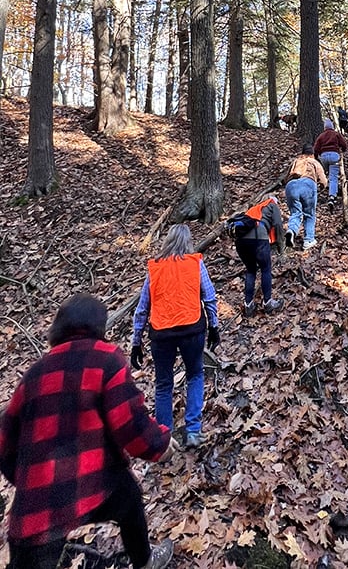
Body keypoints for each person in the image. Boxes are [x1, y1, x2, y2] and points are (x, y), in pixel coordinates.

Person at [0, 293, 174, 569]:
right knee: (129, 500)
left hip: (36, 509)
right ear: (98, 326)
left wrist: (26, 480)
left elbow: (5, 441)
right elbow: (129, 422)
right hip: (95, 484)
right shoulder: (106, 359)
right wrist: (160, 444)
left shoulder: (34, 373)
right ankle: (145, 561)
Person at [131, 224, 220, 449]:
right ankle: (193, 431)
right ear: (188, 242)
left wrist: (136, 341)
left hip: (162, 334)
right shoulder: (195, 263)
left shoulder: (155, 269)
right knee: (195, 375)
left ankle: (164, 440)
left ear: (167, 241)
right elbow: (209, 297)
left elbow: (142, 308)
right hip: (192, 330)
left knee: (163, 385)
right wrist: (214, 327)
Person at [234, 195, 285, 316]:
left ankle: (248, 305)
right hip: (259, 238)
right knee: (265, 269)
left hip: (241, 241)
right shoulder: (272, 204)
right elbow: (278, 224)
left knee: (251, 270)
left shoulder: (253, 210)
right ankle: (268, 303)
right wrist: (280, 246)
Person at [285, 143, 328, 251]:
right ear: (313, 154)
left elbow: (286, 177)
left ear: (302, 153)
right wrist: (321, 187)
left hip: (291, 185)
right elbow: (323, 181)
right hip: (308, 184)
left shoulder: (296, 161)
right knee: (309, 214)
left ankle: (292, 230)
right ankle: (308, 240)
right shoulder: (314, 162)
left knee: (295, 212)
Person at [314, 117, 348, 211]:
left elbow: (316, 148)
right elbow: (344, 145)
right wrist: (343, 150)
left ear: (325, 127)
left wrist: (316, 156)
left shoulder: (321, 136)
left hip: (324, 157)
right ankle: (332, 197)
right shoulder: (336, 134)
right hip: (334, 156)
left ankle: (324, 188)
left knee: (326, 173)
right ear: (332, 127)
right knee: (333, 177)